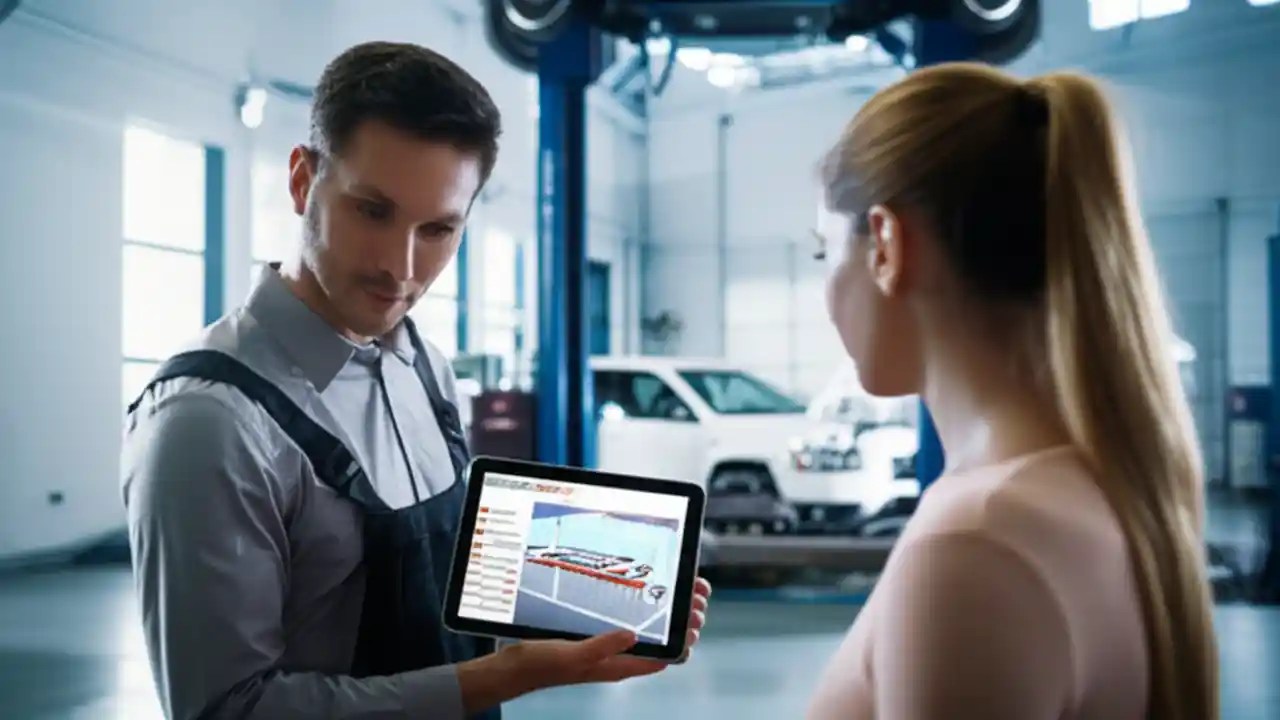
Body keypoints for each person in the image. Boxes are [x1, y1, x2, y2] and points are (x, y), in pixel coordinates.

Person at [121, 41, 710, 720]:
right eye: (372, 211)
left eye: (437, 229)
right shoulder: (208, 423)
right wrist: (502, 677)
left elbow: (447, 584)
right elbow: (228, 711)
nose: (400, 267)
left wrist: (581, 603)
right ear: (302, 181)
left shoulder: (424, 367)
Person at [805, 63, 1218, 719]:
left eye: (822, 253)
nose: (825, 296)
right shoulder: (1090, 489)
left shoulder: (973, 545)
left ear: (884, 245)